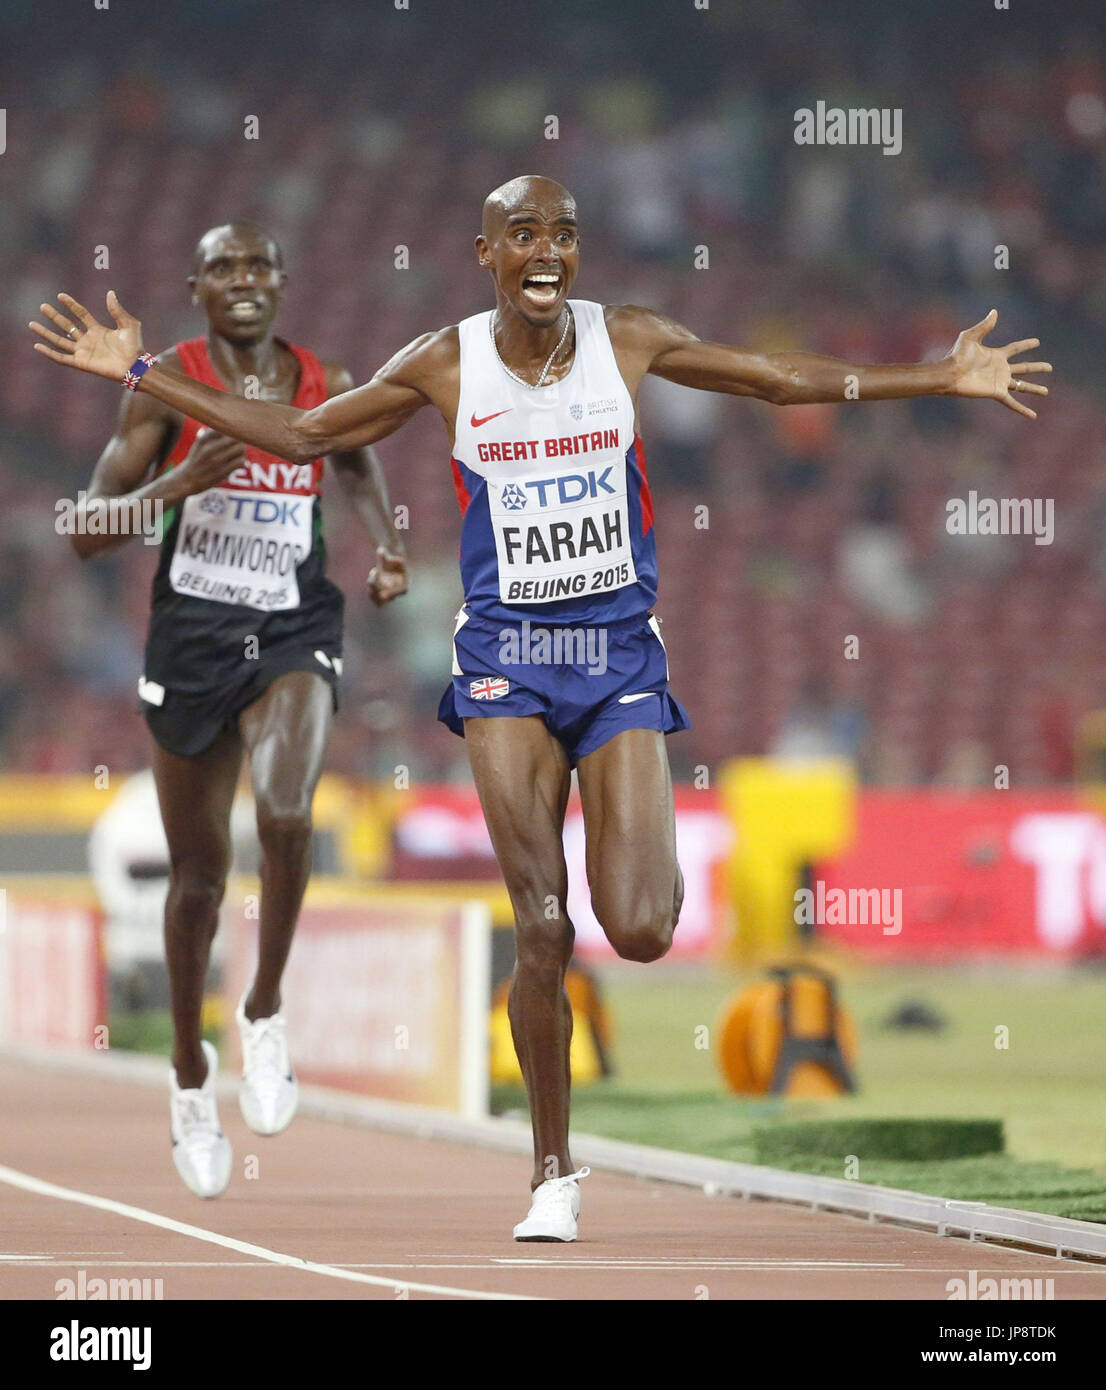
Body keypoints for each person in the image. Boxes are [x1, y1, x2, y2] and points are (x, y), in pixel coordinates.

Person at [30, 175, 1050, 1238]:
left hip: (615, 658)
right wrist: (145, 371)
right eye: (523, 233)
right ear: (487, 254)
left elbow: (778, 381)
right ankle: (551, 1174)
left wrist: (936, 378)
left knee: (643, 927)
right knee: (542, 922)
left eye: (563, 232)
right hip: (505, 658)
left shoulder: (630, 339)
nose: (547, 249)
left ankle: (557, 1126)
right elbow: (299, 436)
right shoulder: (444, 358)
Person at [55, 222, 407, 1199]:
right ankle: (185, 1073)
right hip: (191, 647)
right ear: (196, 286)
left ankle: (261, 1010)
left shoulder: (321, 376)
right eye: (223, 266)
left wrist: (382, 541)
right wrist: (174, 484)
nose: (244, 279)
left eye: (259, 264)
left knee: (288, 811)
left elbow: (355, 459)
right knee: (199, 883)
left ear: (283, 282)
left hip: (293, 628)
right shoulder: (166, 383)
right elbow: (85, 532)